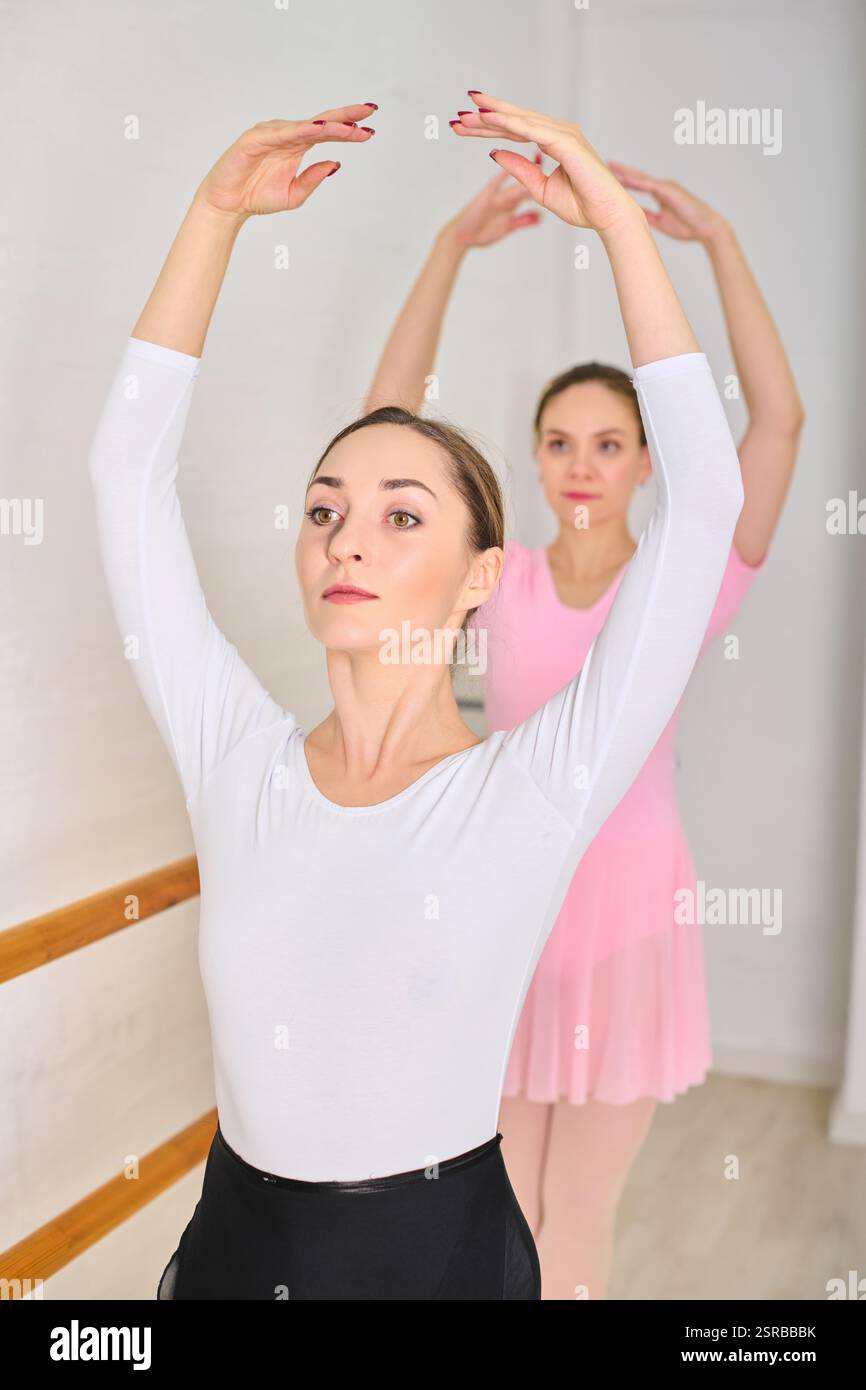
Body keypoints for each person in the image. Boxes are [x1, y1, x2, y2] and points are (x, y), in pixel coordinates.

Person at [87, 92, 746, 1300]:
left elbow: (705, 497)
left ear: (482, 576)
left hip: (435, 1261)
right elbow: (124, 475)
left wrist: (610, 216)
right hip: (233, 1246)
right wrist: (214, 215)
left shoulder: (534, 787)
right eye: (325, 510)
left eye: (401, 516)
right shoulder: (237, 756)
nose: (345, 539)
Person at [370, 122, 802, 1297]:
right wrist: (449, 246)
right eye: (557, 442)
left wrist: (712, 241)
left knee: (578, 1218)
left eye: (609, 444)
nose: (579, 465)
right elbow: (385, 429)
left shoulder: (681, 578)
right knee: (498, 1201)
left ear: (645, 462)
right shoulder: (496, 576)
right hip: (507, 906)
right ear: (531, 455)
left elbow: (775, 425)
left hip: (626, 917)